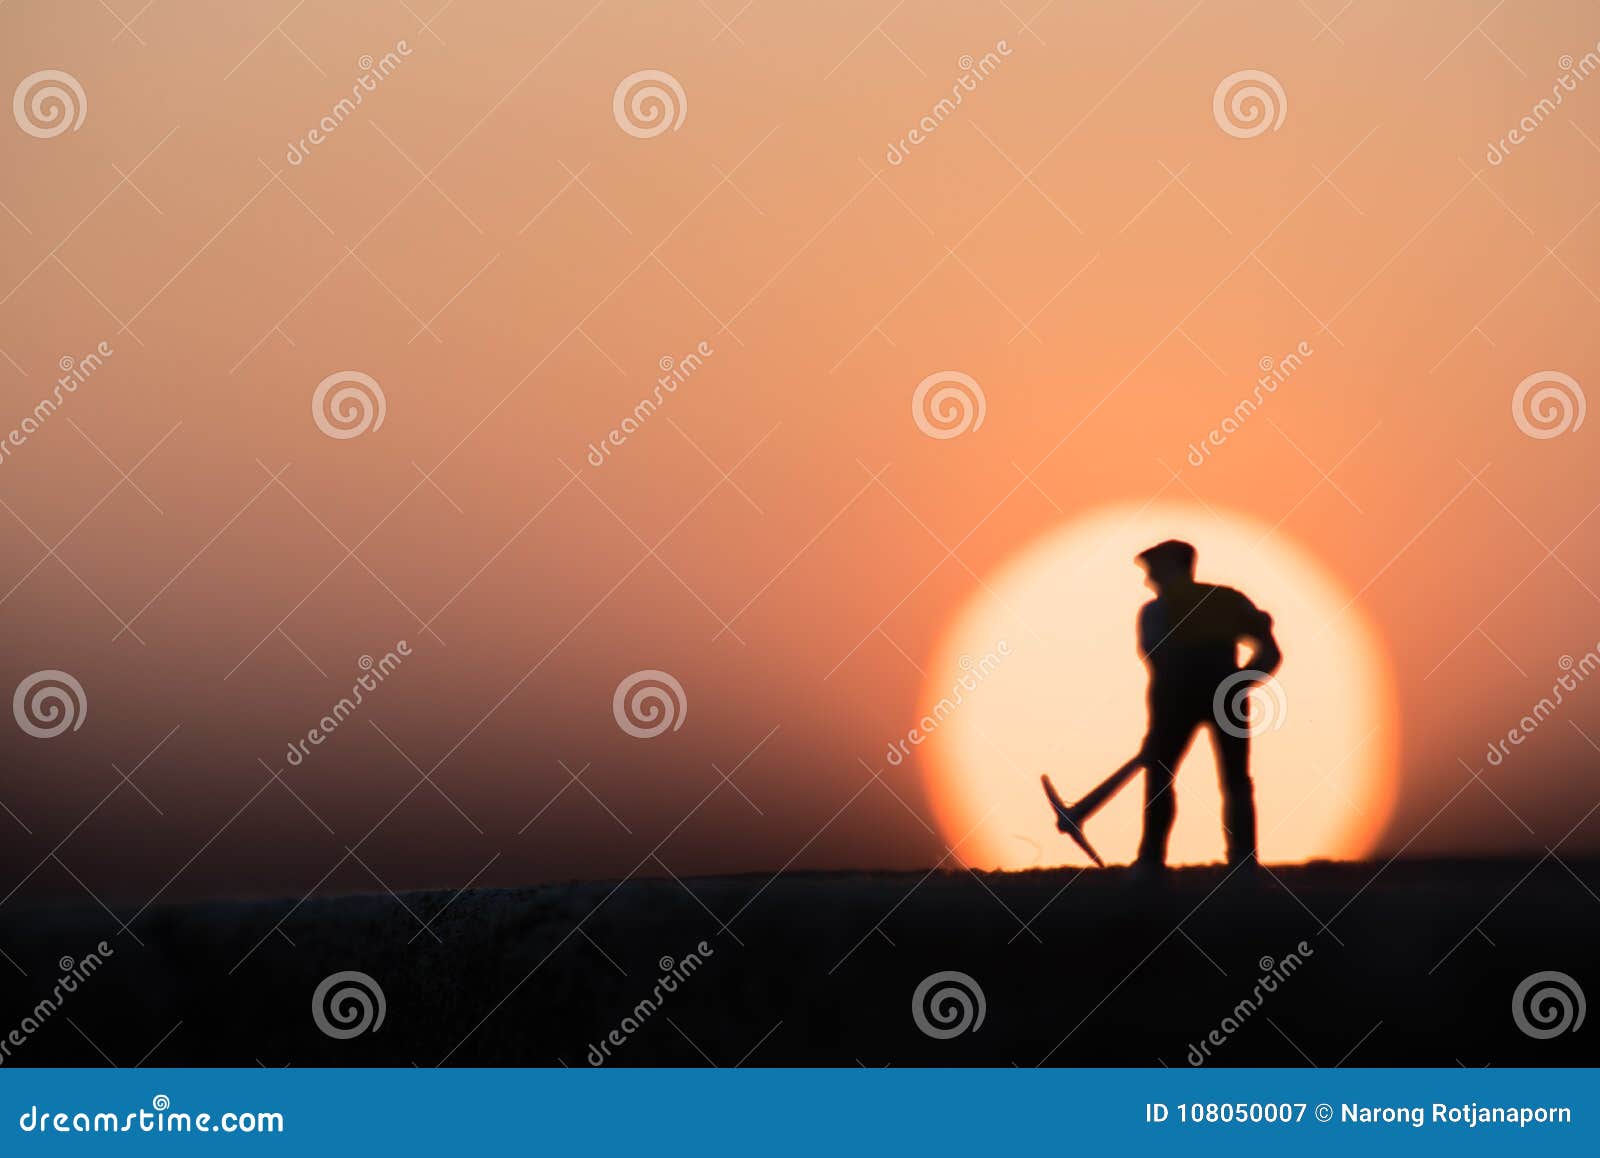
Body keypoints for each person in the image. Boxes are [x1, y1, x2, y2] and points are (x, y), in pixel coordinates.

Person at [1067, 539, 1282, 879]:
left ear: (1171, 567)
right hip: (1223, 697)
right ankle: (1243, 864)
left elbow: (1159, 662)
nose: (1148, 580)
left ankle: (1152, 862)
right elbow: (1270, 652)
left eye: (1152, 571)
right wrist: (1237, 683)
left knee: (1161, 776)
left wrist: (1167, 719)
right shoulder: (1229, 601)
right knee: (1235, 780)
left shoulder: (1156, 612)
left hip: (1177, 701)